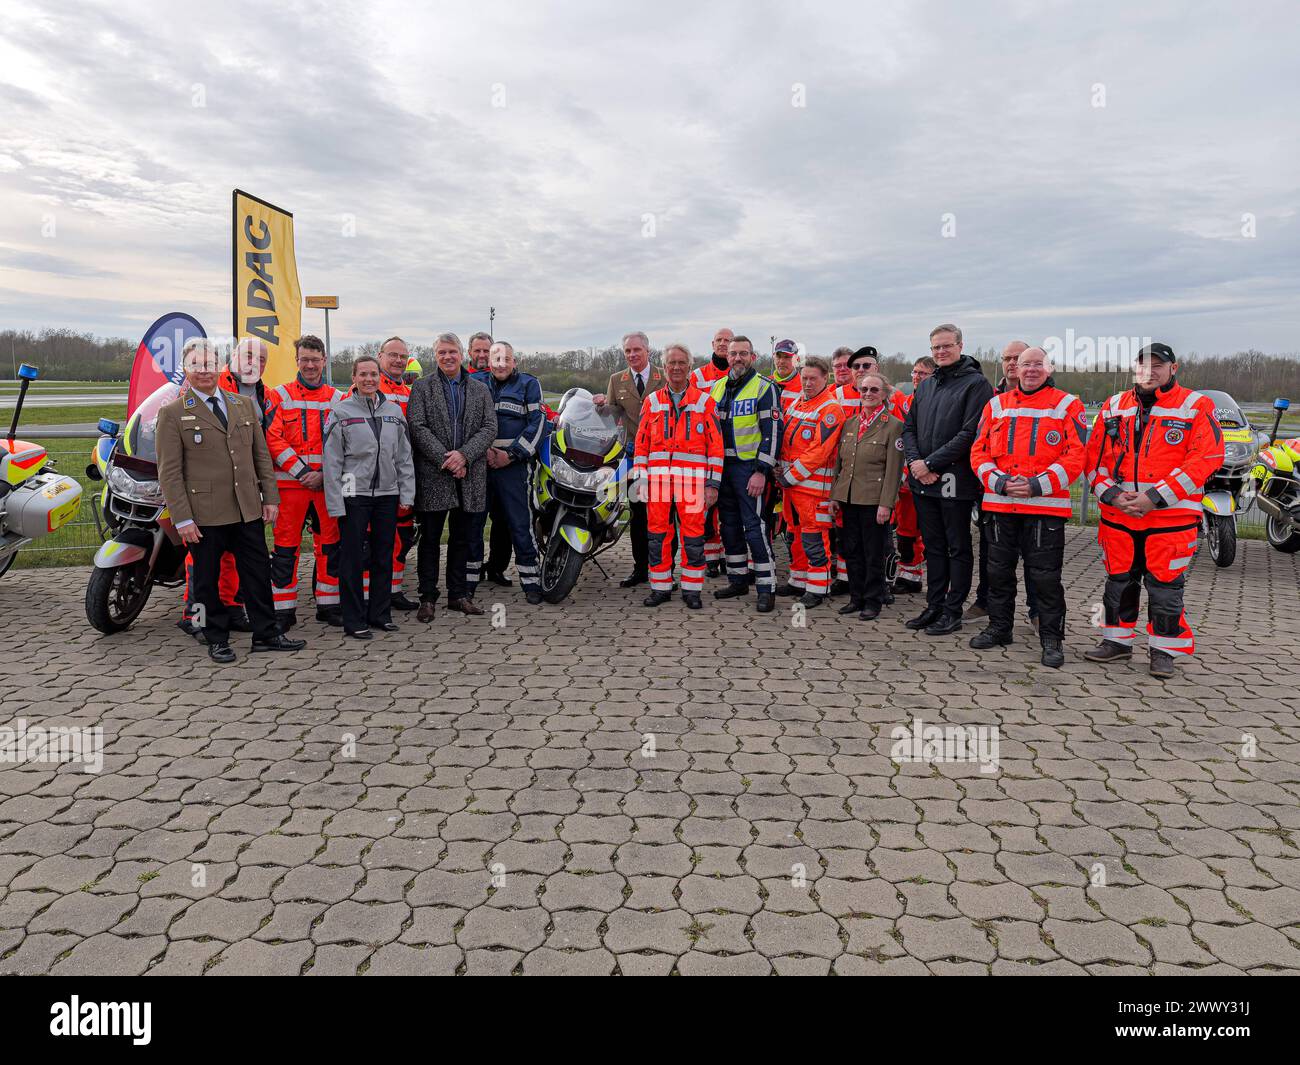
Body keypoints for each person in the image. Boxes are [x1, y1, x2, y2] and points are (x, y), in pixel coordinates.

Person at [156, 339, 305, 662]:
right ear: (187, 370)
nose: (205, 371)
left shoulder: (242, 405)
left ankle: (267, 634)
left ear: (219, 366)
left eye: (210, 364)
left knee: (256, 575)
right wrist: (182, 518)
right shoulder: (173, 413)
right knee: (207, 583)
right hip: (205, 515)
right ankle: (217, 639)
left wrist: (270, 498)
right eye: (197, 365)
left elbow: (261, 456)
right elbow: (169, 473)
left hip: (247, 508)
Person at [1082, 342, 1222, 678]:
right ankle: (1116, 642)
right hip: (1119, 516)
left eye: (1158, 365)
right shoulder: (1113, 405)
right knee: (1118, 582)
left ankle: (1163, 651)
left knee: (1165, 585)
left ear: (1173, 369)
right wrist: (1112, 495)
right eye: (1143, 365)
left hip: (1170, 519)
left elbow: (1206, 458)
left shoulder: (1196, 405)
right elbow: (1091, 460)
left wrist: (1155, 498)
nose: (1150, 371)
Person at [967, 347, 1086, 668]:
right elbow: (978, 451)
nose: (1031, 370)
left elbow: (1077, 455)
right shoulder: (995, 404)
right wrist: (999, 481)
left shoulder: (1067, 404)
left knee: (1045, 578)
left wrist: (1037, 485)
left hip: (1044, 510)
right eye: (1025, 364)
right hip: (1000, 506)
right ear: (1014, 369)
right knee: (997, 574)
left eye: (1038, 364)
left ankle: (1051, 639)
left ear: (1049, 368)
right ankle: (999, 628)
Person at [901, 323, 995, 636]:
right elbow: (909, 428)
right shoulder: (926, 385)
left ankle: (953, 610)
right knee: (934, 547)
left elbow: (969, 433)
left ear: (960, 345)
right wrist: (916, 463)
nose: (941, 352)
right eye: (936, 348)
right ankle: (934, 605)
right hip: (922, 479)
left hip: (954, 479)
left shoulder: (976, 383)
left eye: (946, 346)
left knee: (957, 546)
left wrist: (930, 462)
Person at [179, 336, 272, 636]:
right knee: (202, 567)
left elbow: (262, 447)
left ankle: (232, 609)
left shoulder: (261, 395)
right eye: (247, 355)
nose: (253, 363)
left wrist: (268, 494)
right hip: (207, 501)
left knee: (239, 562)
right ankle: (197, 618)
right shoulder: (188, 397)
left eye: (260, 359)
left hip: (244, 495)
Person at [323, 355, 416, 639]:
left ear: (380, 376)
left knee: (383, 555)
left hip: (387, 494)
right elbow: (332, 461)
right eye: (363, 374)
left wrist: (407, 492)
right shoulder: (340, 412)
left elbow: (403, 456)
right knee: (352, 558)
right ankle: (354, 619)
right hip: (354, 493)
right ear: (354, 378)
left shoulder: (393, 411)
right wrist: (336, 502)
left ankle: (379, 614)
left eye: (373, 374)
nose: (369, 379)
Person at [408, 333, 497, 620]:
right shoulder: (422, 388)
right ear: (436, 356)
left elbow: (489, 427)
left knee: (463, 538)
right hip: (435, 474)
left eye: (452, 352)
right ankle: (428, 597)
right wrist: (447, 459)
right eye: (442, 352)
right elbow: (417, 426)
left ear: (462, 354)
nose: (448, 357)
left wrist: (464, 456)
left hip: (469, 474)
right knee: (431, 538)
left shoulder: (480, 389)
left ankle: (459, 595)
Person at [633, 343, 723, 609]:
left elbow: (716, 448)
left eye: (681, 362)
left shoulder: (705, 402)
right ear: (663, 367)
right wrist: (640, 478)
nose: (676, 367)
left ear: (689, 367)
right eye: (671, 363)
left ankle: (692, 590)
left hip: (693, 485)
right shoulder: (652, 402)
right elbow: (641, 444)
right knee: (658, 537)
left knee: (693, 539)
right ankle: (660, 588)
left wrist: (712, 485)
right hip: (658, 484)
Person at [264, 335, 343, 630]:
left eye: (315, 359)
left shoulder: (338, 399)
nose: (310, 365)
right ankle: (283, 611)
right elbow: (273, 439)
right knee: (286, 549)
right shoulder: (279, 396)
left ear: (324, 361)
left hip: (326, 486)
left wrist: (323, 474)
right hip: (289, 486)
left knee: (330, 547)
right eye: (304, 359)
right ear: (296, 361)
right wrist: (301, 472)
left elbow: (344, 442)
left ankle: (329, 605)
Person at [469, 340, 546, 605]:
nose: (500, 364)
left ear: (515, 361)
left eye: (506, 359)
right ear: (489, 361)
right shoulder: (476, 382)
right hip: (479, 465)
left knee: (520, 524)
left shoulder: (528, 384)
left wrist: (511, 455)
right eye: (495, 359)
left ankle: (531, 582)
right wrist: (482, 451)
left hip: (513, 468)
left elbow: (537, 425)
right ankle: (468, 582)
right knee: (474, 523)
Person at [710, 336, 779, 611]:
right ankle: (737, 579)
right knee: (728, 526)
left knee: (755, 528)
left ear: (753, 356)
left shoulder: (764, 388)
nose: (738, 358)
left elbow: (772, 433)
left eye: (743, 353)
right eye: (733, 353)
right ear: (727, 357)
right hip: (721, 468)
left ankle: (766, 586)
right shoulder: (716, 388)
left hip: (749, 468)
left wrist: (762, 471)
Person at [830, 370, 904, 620]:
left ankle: (873, 600)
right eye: (864, 390)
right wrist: (835, 496)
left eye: (874, 390)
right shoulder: (850, 423)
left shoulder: (893, 426)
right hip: (849, 498)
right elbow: (840, 464)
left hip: (874, 501)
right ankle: (856, 597)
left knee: (873, 553)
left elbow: (894, 470)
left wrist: (887, 504)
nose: (868, 394)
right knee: (851, 550)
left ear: (884, 394)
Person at [594, 332, 665, 587]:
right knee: (638, 513)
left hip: (664, 456)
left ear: (648, 351)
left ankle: (665, 569)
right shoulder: (617, 379)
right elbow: (611, 417)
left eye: (637, 350)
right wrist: (600, 406)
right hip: (635, 457)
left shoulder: (665, 376)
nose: (632, 355)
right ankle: (640, 569)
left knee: (664, 515)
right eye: (628, 351)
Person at [968, 339, 1031, 622]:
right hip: (994, 492)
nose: (1012, 363)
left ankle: (1038, 612)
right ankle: (986, 603)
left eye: (1019, 357)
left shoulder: (1055, 400)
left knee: (1035, 560)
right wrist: (995, 481)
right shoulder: (991, 398)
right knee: (991, 554)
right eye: (1007, 358)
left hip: (1036, 494)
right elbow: (979, 445)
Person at [774, 355, 843, 607]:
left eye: (813, 378)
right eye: (804, 378)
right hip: (793, 488)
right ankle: (798, 579)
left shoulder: (830, 408)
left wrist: (789, 476)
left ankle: (818, 587)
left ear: (826, 378)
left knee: (814, 538)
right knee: (795, 535)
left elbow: (819, 451)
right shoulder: (797, 404)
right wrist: (781, 472)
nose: (808, 383)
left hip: (813, 490)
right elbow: (785, 443)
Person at [374, 336, 419, 611]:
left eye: (403, 356)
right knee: (375, 539)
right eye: (393, 355)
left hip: (404, 476)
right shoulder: (367, 384)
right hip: (375, 479)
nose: (398, 361)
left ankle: (393, 590)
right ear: (381, 356)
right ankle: (372, 596)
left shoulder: (409, 392)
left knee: (401, 537)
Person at [889, 356, 934, 594]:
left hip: (928, 476)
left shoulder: (937, 402)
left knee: (926, 532)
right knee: (905, 532)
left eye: (922, 373)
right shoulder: (905, 402)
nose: (916, 377)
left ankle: (923, 578)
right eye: (914, 372)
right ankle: (909, 576)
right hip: (905, 480)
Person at [694, 328, 735, 577]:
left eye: (727, 340)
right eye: (719, 340)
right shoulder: (698, 376)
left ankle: (729, 556)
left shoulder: (741, 373)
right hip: (705, 450)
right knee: (706, 507)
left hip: (735, 450)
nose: (723, 344)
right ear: (712, 343)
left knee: (728, 507)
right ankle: (710, 559)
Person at [770, 339, 803, 416]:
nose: (781, 361)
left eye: (787, 357)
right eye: (778, 356)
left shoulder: (804, 386)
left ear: (797, 359)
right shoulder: (765, 383)